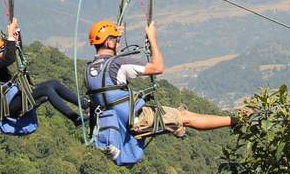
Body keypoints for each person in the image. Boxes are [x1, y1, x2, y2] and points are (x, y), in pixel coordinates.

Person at [84, 19, 233, 165]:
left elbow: (109, 78)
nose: (119, 44)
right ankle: (235, 121)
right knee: (186, 117)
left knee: (180, 116)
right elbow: (157, 67)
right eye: (117, 41)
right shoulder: (118, 64)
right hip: (136, 119)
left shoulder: (89, 70)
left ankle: (175, 126)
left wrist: (117, 35)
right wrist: (152, 38)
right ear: (109, 43)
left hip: (117, 122)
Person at [0, 20, 84, 134]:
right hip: (9, 105)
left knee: (54, 83)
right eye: (0, 49)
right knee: (47, 89)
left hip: (14, 99)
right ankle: (75, 118)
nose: (2, 50)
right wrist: (10, 35)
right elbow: (9, 58)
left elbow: (17, 52)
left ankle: (86, 105)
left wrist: (16, 33)